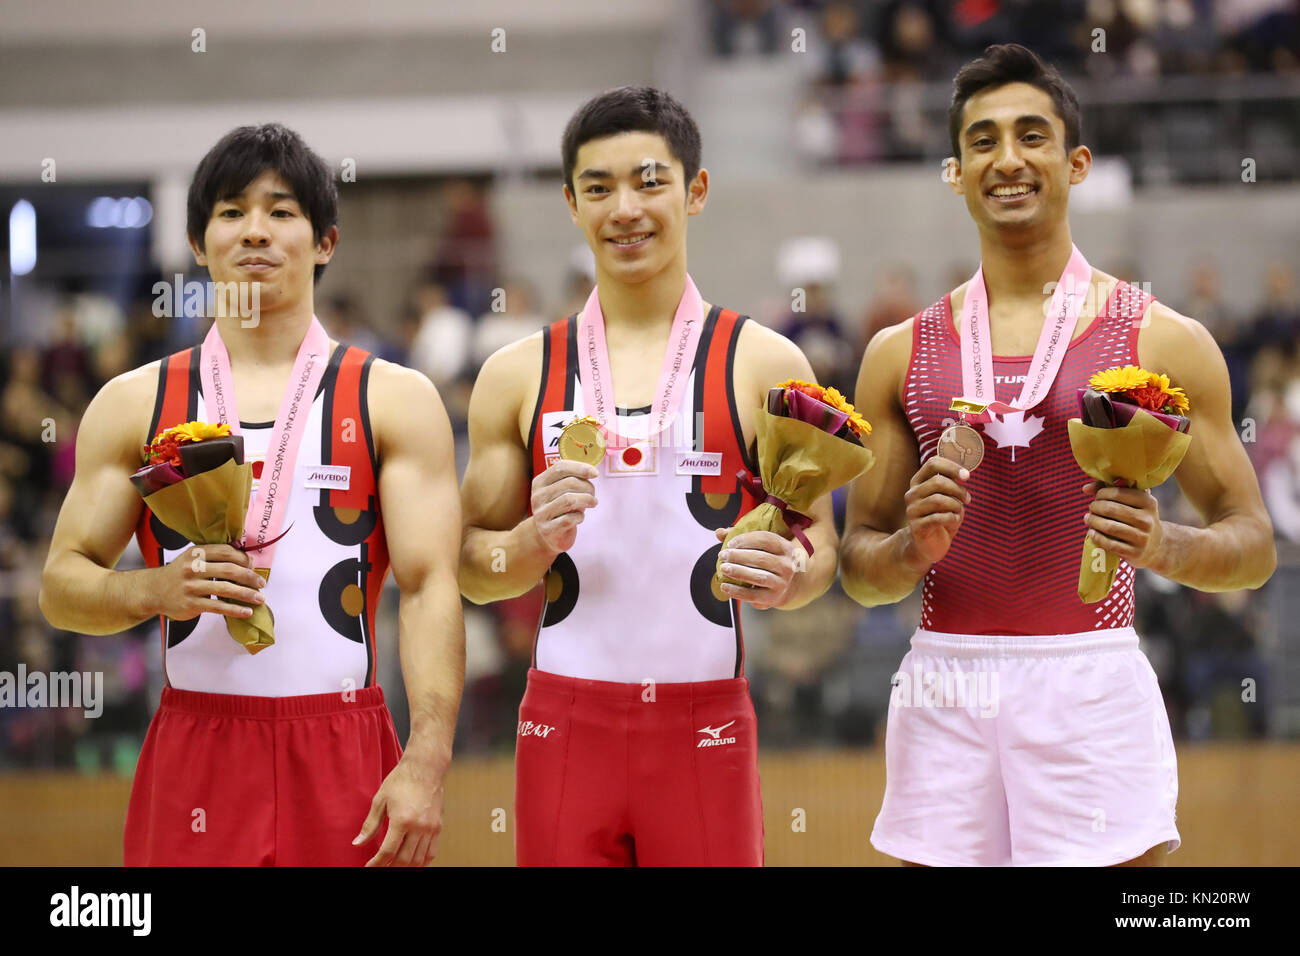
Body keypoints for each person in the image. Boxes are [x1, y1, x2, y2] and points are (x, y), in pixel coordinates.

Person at [840, 44, 1276, 867]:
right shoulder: (898, 353)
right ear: (954, 171)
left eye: (1032, 136)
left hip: (1090, 676)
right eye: (982, 140)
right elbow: (860, 568)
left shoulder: (1163, 340)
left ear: (1077, 163)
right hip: (947, 679)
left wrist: (1164, 545)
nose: (1008, 159)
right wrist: (908, 548)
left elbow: (1252, 546)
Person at [38, 123, 465, 867]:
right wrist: (154, 591)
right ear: (200, 245)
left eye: (282, 211)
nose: (256, 232)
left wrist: (426, 763)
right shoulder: (135, 402)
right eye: (231, 212)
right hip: (197, 748)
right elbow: (61, 587)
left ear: (325, 241)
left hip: (343, 746)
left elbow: (430, 586)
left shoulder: (393, 399)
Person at [459, 87, 838, 866]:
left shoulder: (765, 364)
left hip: (705, 722)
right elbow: (470, 568)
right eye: (598, 188)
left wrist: (788, 577)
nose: (624, 208)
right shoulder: (517, 373)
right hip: (564, 722)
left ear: (695, 191)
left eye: (649, 182)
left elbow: (823, 551)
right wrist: (529, 543)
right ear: (570, 203)